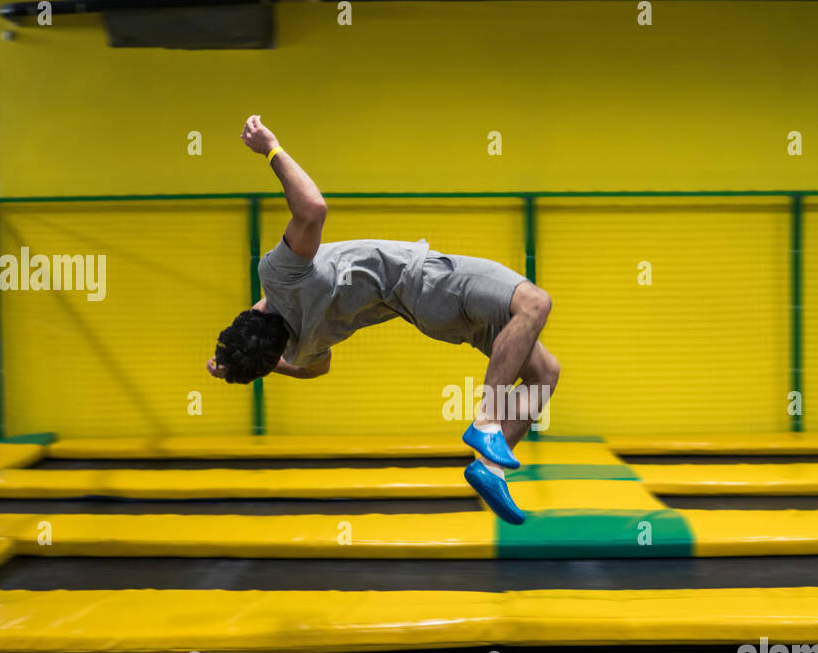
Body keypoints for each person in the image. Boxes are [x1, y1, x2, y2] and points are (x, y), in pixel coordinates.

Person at [207, 115, 560, 524]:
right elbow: (313, 208)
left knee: (545, 371)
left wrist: (244, 364)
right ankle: (486, 421)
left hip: (431, 320)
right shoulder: (280, 276)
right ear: (251, 312)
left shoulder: (303, 347)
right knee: (534, 303)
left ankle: (490, 468)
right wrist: (271, 148)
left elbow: (312, 371)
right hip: (427, 282)